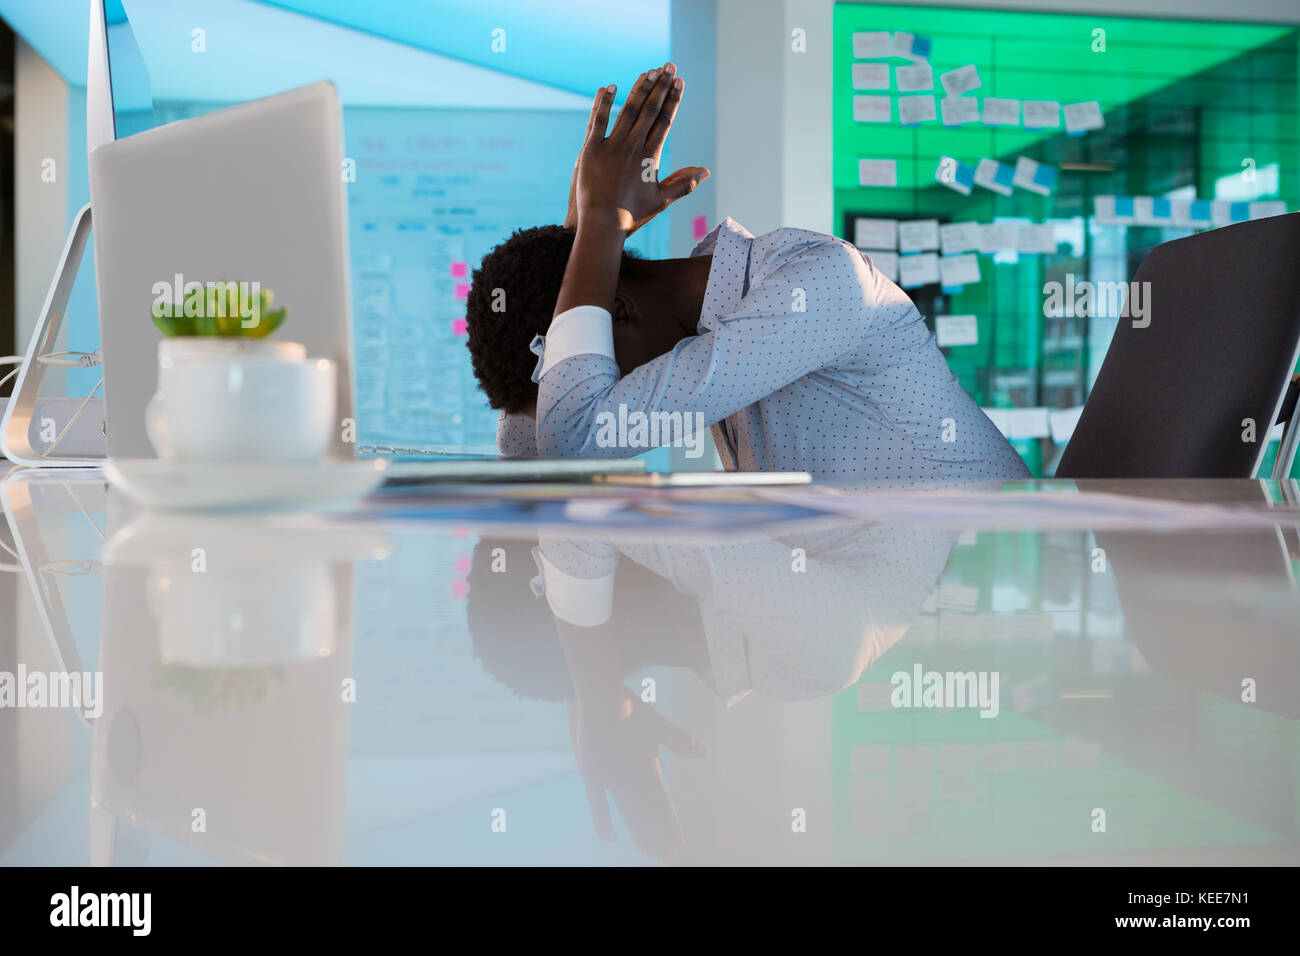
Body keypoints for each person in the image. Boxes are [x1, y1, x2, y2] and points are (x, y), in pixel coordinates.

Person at [465, 62, 1030, 483]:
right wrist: (583, 243)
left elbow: (574, 442)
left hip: (1007, 600)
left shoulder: (818, 284)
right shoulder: (711, 323)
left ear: (617, 311)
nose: (580, 389)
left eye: (578, 368)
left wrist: (596, 235)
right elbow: (533, 457)